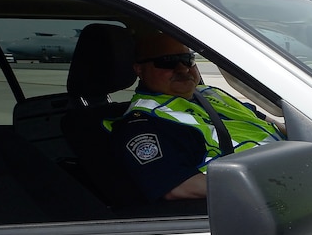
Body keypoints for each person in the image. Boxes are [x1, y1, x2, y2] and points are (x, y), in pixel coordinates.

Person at [109, 31, 285, 201]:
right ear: (140, 69)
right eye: (168, 62)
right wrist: (270, 186)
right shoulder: (142, 123)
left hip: (288, 170)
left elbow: (272, 124)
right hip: (260, 197)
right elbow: (179, 186)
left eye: (187, 59)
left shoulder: (210, 93)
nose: (183, 68)